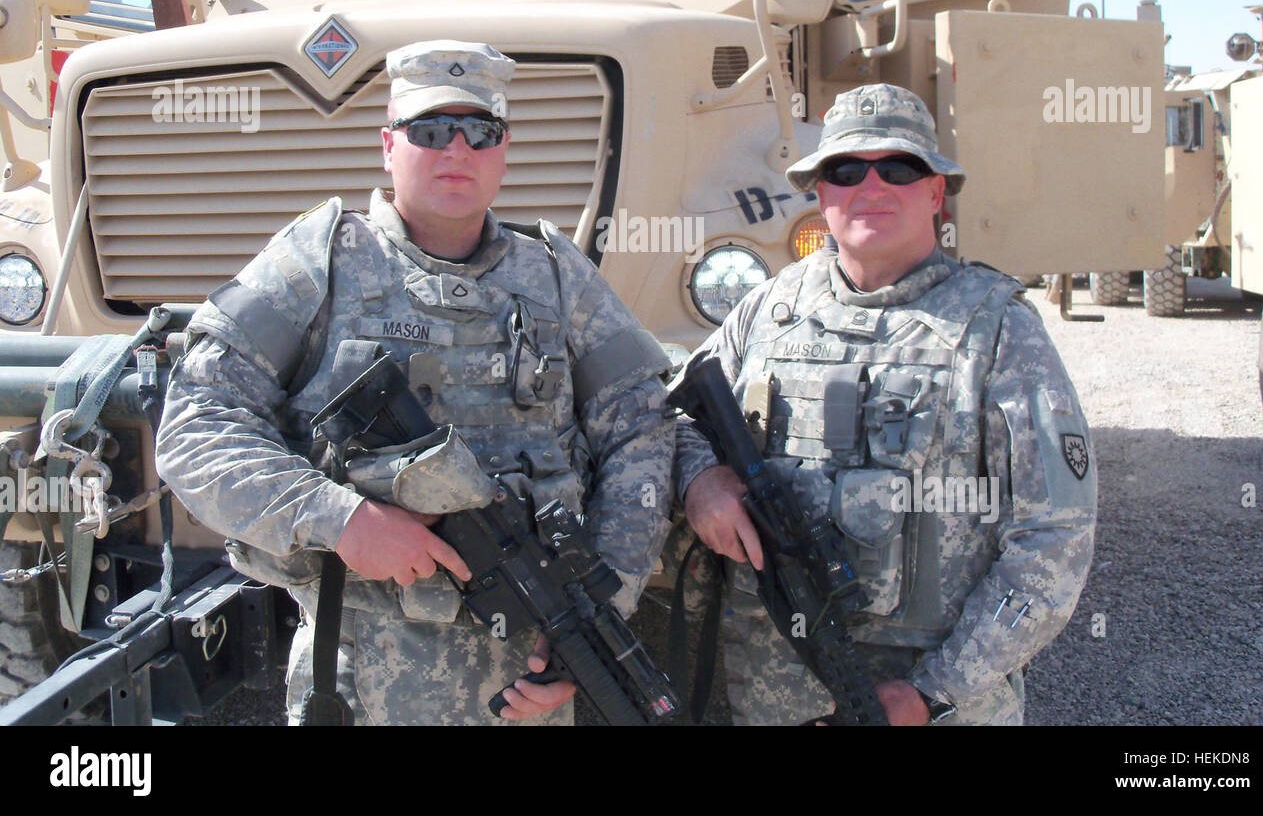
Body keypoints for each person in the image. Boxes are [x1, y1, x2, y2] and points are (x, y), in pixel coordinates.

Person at [157, 40, 673, 726]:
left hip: (526, 694)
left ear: (504, 148)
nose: (456, 148)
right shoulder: (320, 261)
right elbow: (195, 426)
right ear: (387, 145)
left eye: (480, 130)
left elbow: (644, 425)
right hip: (356, 689)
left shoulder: (557, 275)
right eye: (429, 130)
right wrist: (341, 519)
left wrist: (603, 607)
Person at [674, 84, 1097, 726]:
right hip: (775, 692)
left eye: (898, 168)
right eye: (846, 170)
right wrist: (701, 482)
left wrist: (932, 691)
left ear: (935, 192)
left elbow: (1054, 539)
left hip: (931, 701)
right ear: (820, 193)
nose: (871, 186)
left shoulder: (998, 329)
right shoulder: (768, 310)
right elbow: (675, 417)